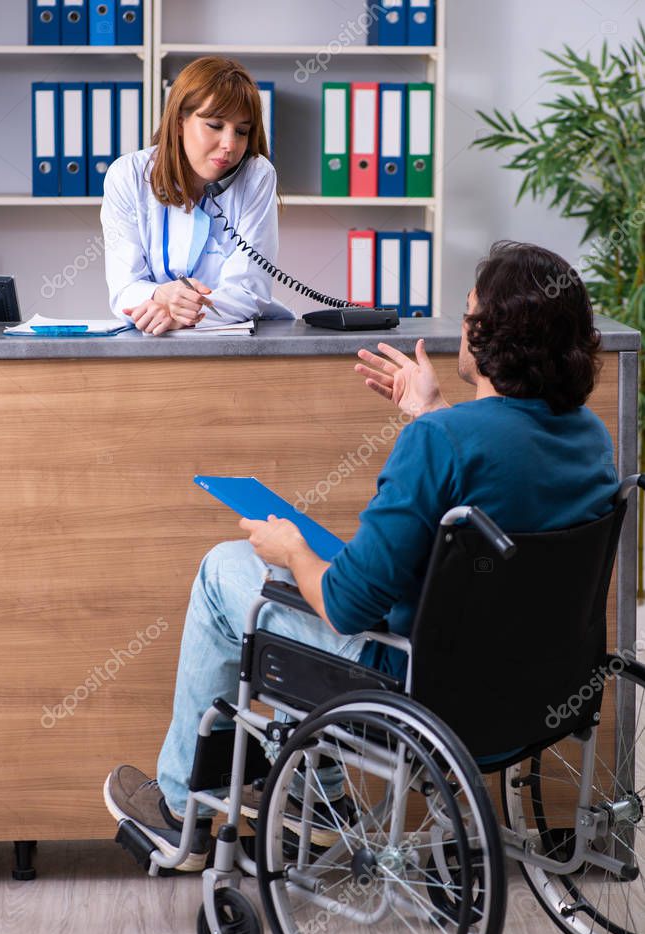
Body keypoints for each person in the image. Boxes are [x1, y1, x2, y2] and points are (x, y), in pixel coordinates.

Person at [104, 241, 618, 870]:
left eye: (469, 314)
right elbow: (507, 474)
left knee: (228, 571)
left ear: (490, 338)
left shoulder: (440, 443)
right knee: (318, 569)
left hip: (418, 691)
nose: (463, 326)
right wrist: (430, 412)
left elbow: (346, 607)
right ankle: (313, 799)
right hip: (540, 692)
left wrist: (293, 550)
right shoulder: (591, 437)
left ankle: (184, 811)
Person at [101, 56, 293, 334]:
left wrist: (181, 314)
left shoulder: (257, 175)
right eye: (215, 125)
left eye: (242, 131)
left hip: (239, 336)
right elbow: (124, 289)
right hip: (155, 333)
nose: (229, 145)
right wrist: (159, 297)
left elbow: (249, 291)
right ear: (180, 122)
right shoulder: (127, 175)